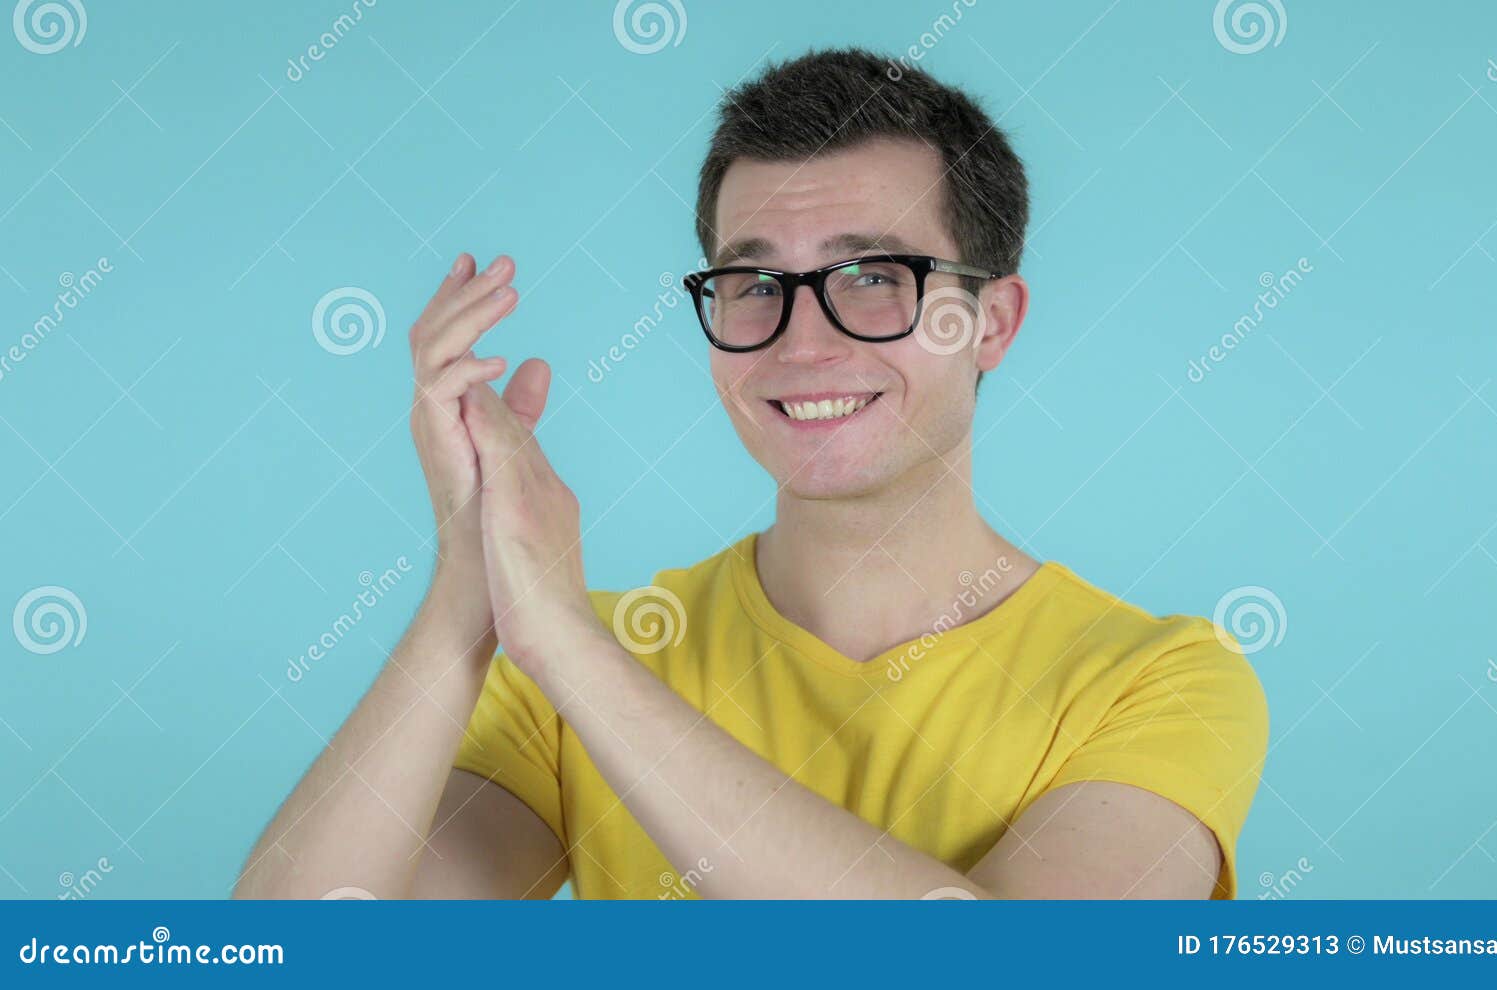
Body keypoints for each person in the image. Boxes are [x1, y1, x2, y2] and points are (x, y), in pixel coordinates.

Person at [234, 47, 1267, 901]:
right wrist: (468, 586)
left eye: (873, 278)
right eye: (752, 282)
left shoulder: (1158, 679)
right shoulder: (570, 666)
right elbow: (302, 949)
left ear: (988, 324)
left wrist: (569, 650)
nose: (801, 341)